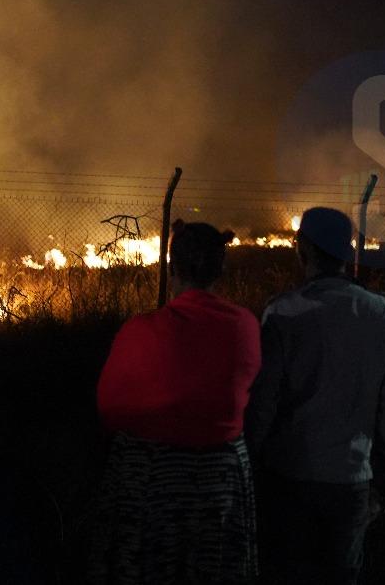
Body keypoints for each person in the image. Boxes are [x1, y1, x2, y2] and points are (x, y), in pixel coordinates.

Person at [89, 222, 261, 585]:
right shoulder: (245, 325)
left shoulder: (140, 330)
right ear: (221, 270)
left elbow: (109, 408)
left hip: (153, 483)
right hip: (220, 484)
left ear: (172, 269)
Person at [244, 206, 385, 585]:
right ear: (347, 254)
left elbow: (263, 402)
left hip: (290, 475)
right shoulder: (383, 313)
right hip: (352, 477)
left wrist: (250, 465)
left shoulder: (282, 312)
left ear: (304, 251)